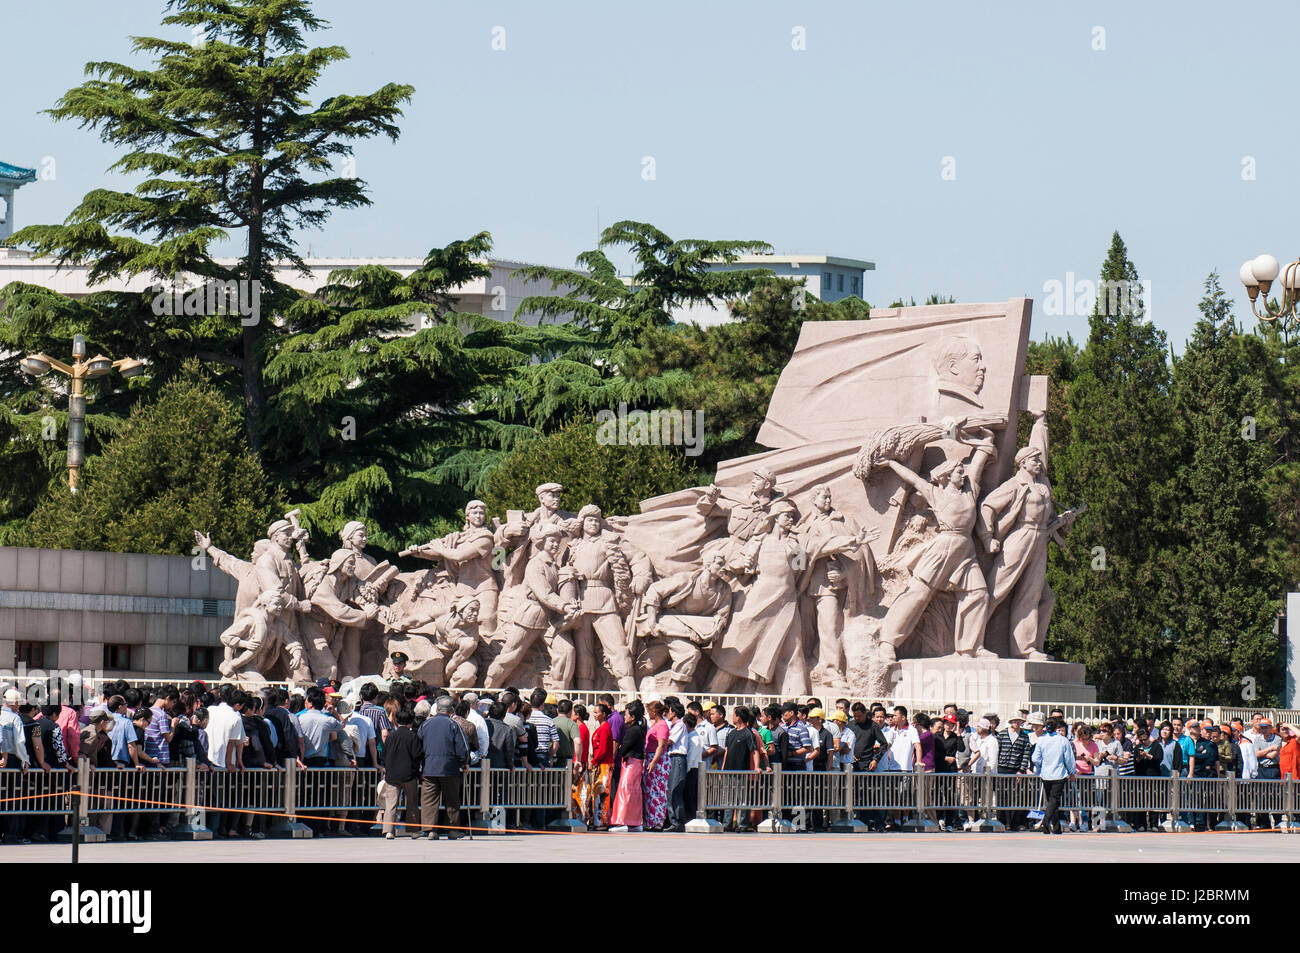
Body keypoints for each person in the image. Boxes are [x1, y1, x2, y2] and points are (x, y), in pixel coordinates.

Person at [417, 695, 470, 841]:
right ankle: (452, 830)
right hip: (449, 768)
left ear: (437, 709)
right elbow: (463, 747)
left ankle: (430, 830)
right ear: (451, 710)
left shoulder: (426, 724)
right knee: (452, 799)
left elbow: (418, 744)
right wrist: (464, 762)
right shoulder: (454, 725)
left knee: (429, 800)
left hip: (429, 767)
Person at [381, 707, 422, 839]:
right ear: (411, 721)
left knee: (391, 803)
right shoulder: (412, 736)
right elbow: (417, 755)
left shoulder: (391, 736)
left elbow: (384, 755)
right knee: (411, 803)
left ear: (397, 721)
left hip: (392, 774)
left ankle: (388, 830)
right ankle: (414, 830)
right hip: (409, 774)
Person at [1031, 718, 1075, 835]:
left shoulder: (1041, 740)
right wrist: (1072, 771)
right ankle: (1045, 822)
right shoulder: (1063, 740)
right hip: (1059, 774)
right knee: (1054, 800)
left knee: (1051, 800)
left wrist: (1041, 766)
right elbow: (1069, 758)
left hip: (1046, 774)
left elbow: (1035, 758)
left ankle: (1056, 827)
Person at [610, 700, 647, 832]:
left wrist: (620, 748)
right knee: (634, 792)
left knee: (625, 790)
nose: (624, 717)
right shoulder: (638, 729)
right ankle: (634, 822)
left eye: (626, 714)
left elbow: (623, 748)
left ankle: (622, 821)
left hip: (631, 763)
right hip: (635, 763)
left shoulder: (633, 730)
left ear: (632, 717)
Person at [642, 700, 671, 831]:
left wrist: (653, 761)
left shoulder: (662, 725)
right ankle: (651, 820)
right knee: (650, 791)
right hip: (651, 758)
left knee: (658, 791)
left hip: (658, 760)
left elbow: (661, 745)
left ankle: (658, 820)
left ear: (654, 712)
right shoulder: (655, 724)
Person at [588, 703, 615, 828]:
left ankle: (602, 820)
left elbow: (603, 749)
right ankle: (597, 819)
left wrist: (593, 761)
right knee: (598, 792)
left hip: (604, 764)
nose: (595, 715)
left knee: (602, 792)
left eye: (597, 712)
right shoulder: (601, 727)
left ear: (604, 714)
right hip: (600, 763)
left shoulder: (605, 728)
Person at [664, 701, 690, 831]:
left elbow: (669, 741)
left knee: (675, 790)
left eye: (667, 711)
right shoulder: (672, 725)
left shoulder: (680, 725)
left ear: (673, 712)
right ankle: (673, 819)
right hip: (672, 758)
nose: (666, 714)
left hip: (678, 758)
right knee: (670, 790)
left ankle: (678, 821)